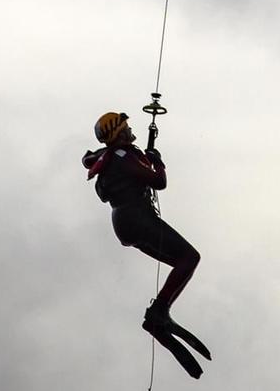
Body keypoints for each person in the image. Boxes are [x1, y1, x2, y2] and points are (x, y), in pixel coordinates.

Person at [82, 110, 210, 377]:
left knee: (181, 262)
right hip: (137, 218)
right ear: (119, 134)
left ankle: (160, 313)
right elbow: (159, 182)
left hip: (124, 223)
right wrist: (157, 161)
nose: (131, 131)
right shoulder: (121, 157)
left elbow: (93, 159)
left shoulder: (108, 158)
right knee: (189, 258)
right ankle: (159, 312)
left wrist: (145, 160)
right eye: (126, 128)